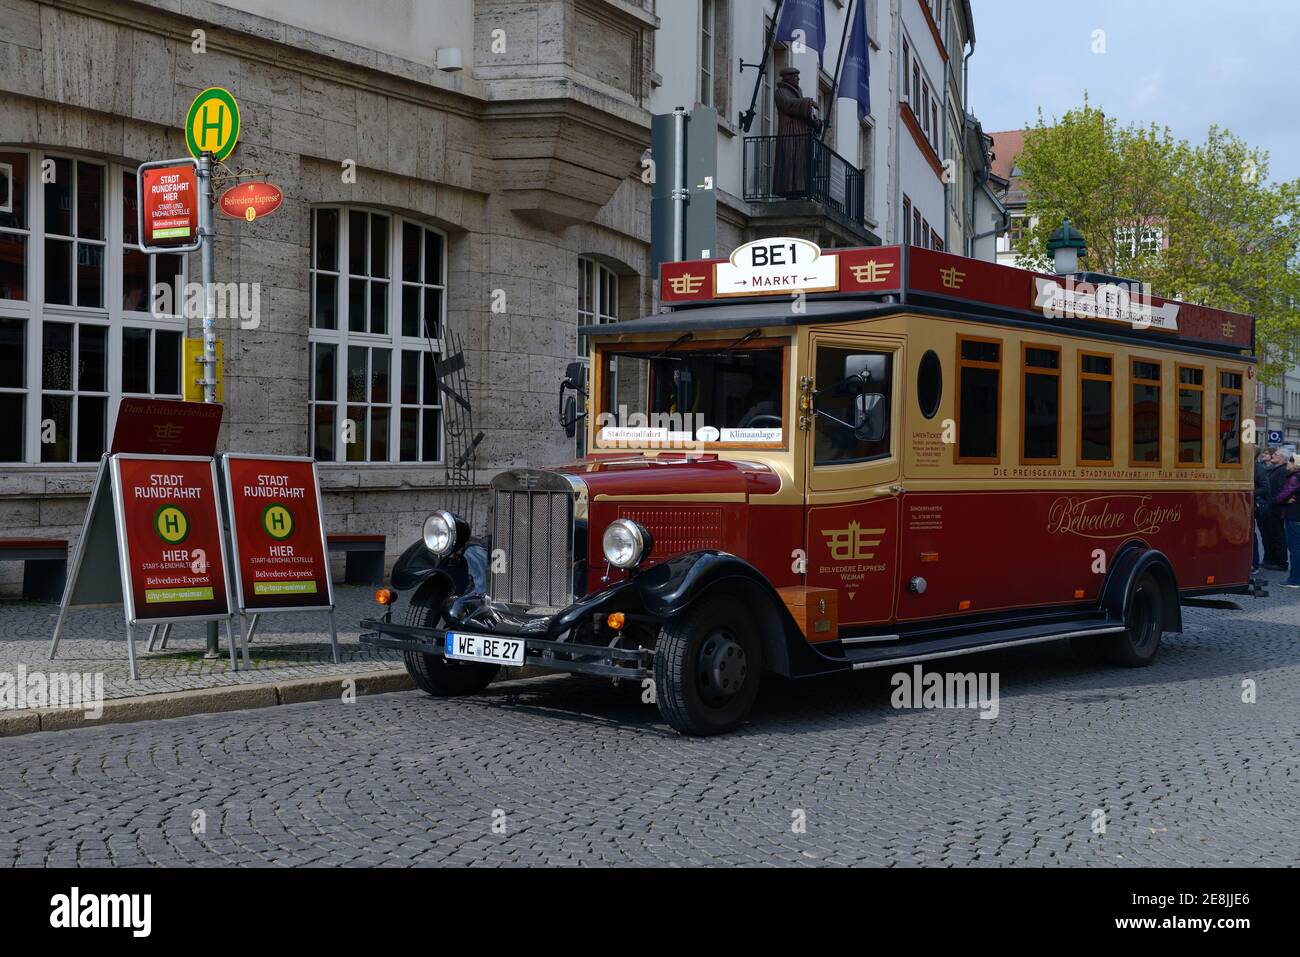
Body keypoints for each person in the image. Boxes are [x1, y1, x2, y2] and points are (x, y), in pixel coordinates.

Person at [773, 66, 819, 198]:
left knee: (799, 165)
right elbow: (788, 105)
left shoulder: (798, 94)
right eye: (796, 76)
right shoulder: (781, 92)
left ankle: (798, 190)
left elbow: (805, 116)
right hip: (788, 134)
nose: (798, 79)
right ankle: (788, 190)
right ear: (789, 78)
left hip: (800, 136)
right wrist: (809, 102)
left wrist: (816, 123)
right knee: (788, 163)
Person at [1259, 446, 1292, 571]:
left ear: (1283, 459)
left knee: (1277, 535)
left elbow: (1283, 491)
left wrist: (1272, 502)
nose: (1273, 456)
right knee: (1269, 535)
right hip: (1271, 508)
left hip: (1276, 509)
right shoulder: (1276, 469)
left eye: (1276, 455)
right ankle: (1271, 559)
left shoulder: (1282, 470)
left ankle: (1280, 562)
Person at [1273, 454, 1300, 588]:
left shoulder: (1295, 477)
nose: (1287, 464)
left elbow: (1282, 496)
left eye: (1290, 461)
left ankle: (1295, 579)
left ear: (1296, 465)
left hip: (1294, 517)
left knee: (1295, 549)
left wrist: (1277, 500)